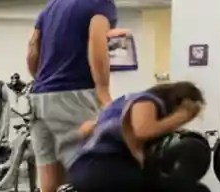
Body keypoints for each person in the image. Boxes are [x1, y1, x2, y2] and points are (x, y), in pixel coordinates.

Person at [27, 0, 122, 192]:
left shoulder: (54, 2)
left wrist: (40, 80)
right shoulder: (100, 0)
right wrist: (103, 91)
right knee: (92, 176)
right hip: (73, 95)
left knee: (49, 183)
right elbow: (97, 43)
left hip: (38, 97)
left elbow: (33, 47)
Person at [67, 81, 205, 192]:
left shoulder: (125, 102)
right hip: (104, 169)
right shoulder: (147, 100)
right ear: (179, 102)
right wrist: (181, 117)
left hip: (84, 169)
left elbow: (85, 129)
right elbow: (142, 131)